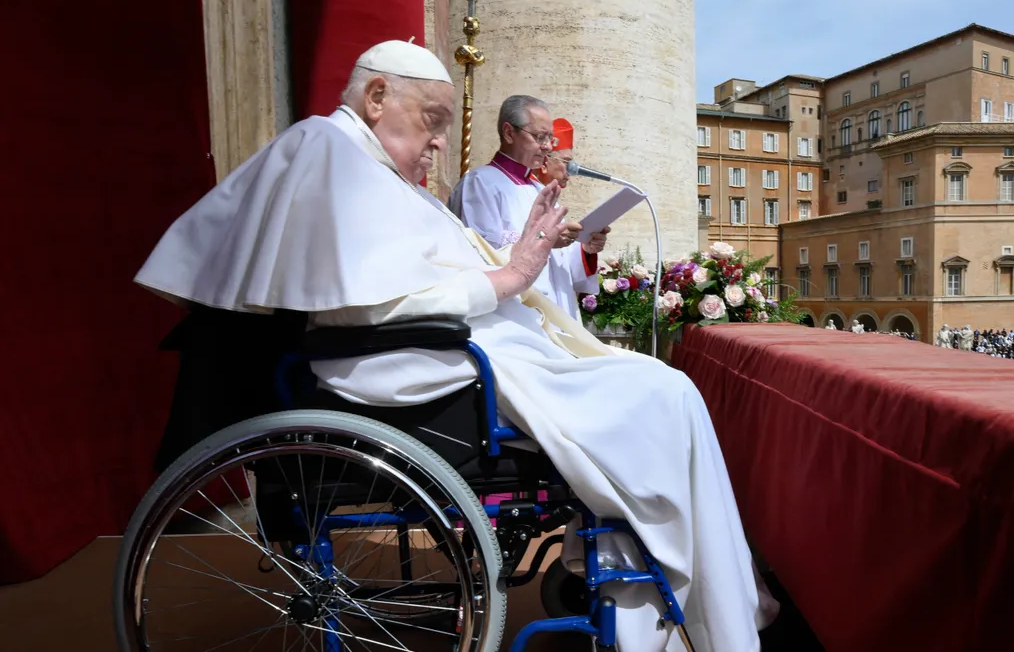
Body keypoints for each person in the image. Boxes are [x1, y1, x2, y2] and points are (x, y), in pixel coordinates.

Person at [134, 40, 776, 652]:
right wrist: (509, 274)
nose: (440, 141)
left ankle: (674, 590)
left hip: (447, 357)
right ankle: (700, 609)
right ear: (378, 94)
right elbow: (361, 299)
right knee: (665, 396)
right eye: (431, 120)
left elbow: (409, 275)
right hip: (421, 371)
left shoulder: (367, 163)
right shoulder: (325, 149)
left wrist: (520, 257)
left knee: (663, 391)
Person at [448, 99, 604, 320]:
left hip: (557, 311)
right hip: (514, 316)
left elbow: (562, 262)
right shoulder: (480, 183)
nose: (548, 147)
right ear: (509, 133)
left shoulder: (542, 189)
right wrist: (544, 240)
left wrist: (586, 249)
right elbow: (482, 250)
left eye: (550, 138)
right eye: (540, 137)